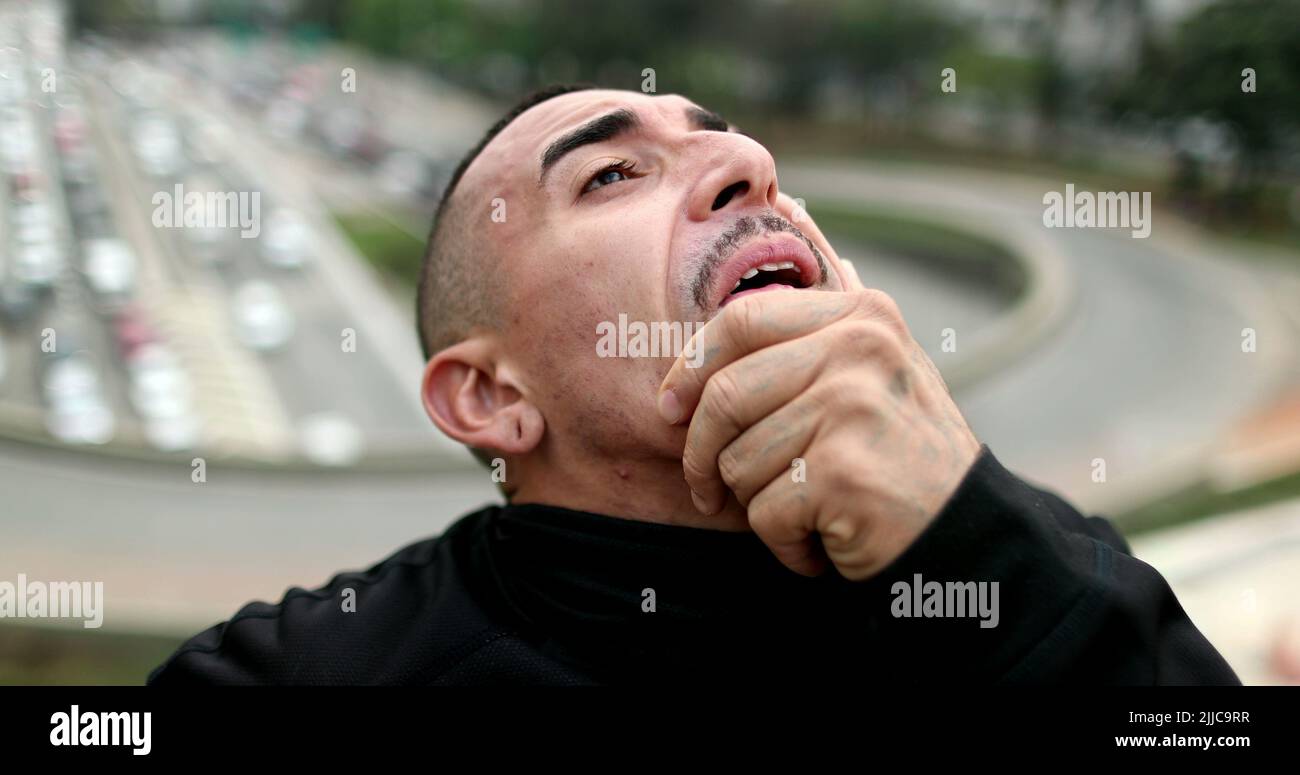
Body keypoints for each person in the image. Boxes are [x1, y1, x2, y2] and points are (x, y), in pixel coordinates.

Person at [149, 85, 1239, 685]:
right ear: (488, 398)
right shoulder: (311, 675)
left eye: (728, 144)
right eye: (613, 174)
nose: (750, 162)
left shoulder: (1034, 567)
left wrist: (975, 540)